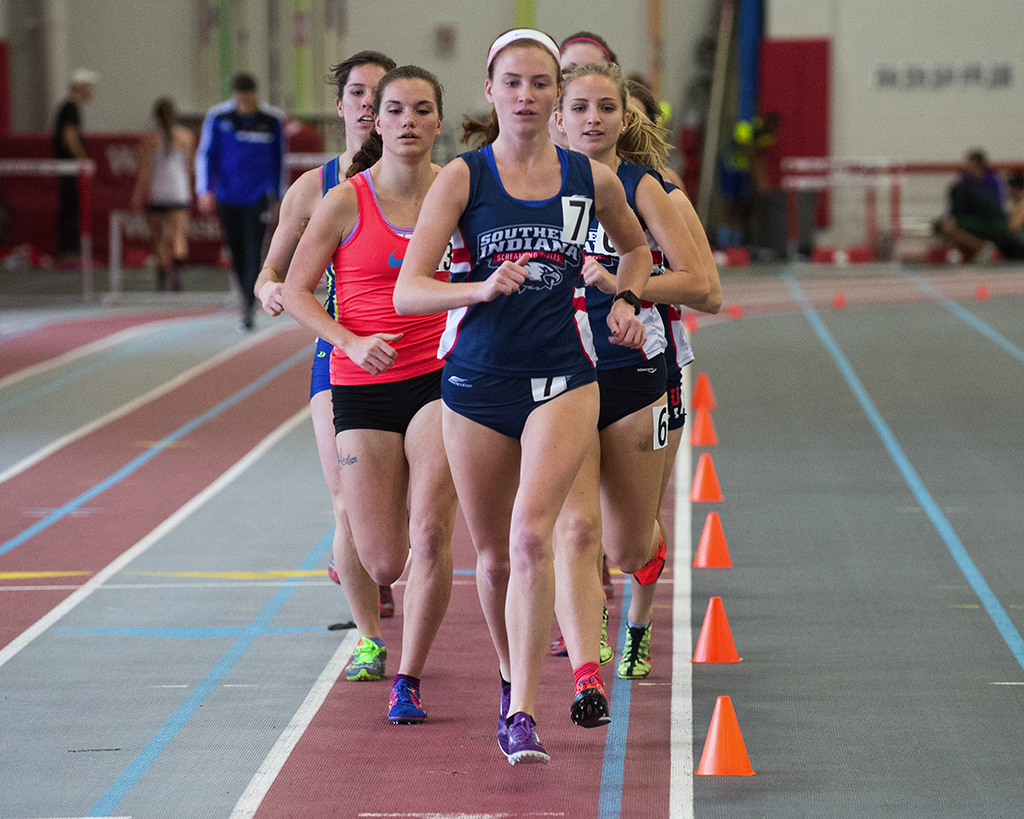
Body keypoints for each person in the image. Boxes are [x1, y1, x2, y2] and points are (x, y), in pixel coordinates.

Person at [393, 29, 653, 765]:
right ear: (490, 91)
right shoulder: (463, 179)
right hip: (477, 383)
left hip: (566, 377)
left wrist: (625, 293)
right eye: (513, 83)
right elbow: (410, 289)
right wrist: (478, 286)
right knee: (494, 558)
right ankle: (510, 679)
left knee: (532, 534)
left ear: (556, 96)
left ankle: (524, 714)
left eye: (541, 84)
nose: (528, 96)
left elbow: (634, 246)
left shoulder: (588, 177)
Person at [282, 64, 457, 725]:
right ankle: (371, 630)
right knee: (384, 555)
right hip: (360, 381)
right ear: (375, 123)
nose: (407, 121)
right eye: (395, 111)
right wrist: (349, 341)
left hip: (439, 377)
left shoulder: (458, 192)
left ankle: (407, 676)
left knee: (433, 531)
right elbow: (297, 291)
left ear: (439, 121)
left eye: (421, 109)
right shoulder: (344, 200)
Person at [554, 62, 716, 693]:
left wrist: (627, 287)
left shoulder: (648, 189)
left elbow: (705, 288)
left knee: (625, 542)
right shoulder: (540, 185)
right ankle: (587, 667)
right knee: (575, 525)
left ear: (625, 119)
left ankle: (639, 620)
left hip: (641, 370)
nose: (592, 119)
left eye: (605, 107)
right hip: (562, 373)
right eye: (580, 107)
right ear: (558, 118)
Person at [254, 51, 399, 636]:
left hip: (417, 354)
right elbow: (272, 273)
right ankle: (370, 632)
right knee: (346, 497)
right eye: (358, 94)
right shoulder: (312, 190)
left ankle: (378, 562)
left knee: (404, 509)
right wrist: (271, 292)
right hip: (338, 352)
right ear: (340, 106)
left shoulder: (433, 183)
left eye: (380, 94)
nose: (368, 105)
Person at [197, 73, 286, 329]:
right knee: (235, 251)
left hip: (257, 196)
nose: (245, 104)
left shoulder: (271, 120)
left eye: (250, 99)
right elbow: (206, 154)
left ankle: (249, 303)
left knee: (253, 248)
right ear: (235, 96)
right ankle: (245, 296)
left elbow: (279, 159)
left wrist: (279, 196)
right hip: (227, 195)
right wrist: (205, 190)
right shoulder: (219, 117)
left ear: (255, 95)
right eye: (241, 100)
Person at [130, 98, 195, 291]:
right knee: (178, 234)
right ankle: (177, 275)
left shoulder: (150, 139)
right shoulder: (186, 136)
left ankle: (162, 278)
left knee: (158, 237)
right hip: (178, 192)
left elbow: (145, 171)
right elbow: (190, 167)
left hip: (158, 192)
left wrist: (137, 195)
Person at [936, 150, 1024, 262]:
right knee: (948, 226)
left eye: (969, 164)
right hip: (988, 223)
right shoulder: (966, 183)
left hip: (992, 224)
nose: (966, 167)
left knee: (949, 227)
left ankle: (981, 247)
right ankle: (979, 248)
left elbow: (1012, 226)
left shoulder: (985, 183)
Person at [52, 69, 98, 258]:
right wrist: (82, 160)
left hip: (69, 167)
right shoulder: (70, 109)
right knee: (72, 208)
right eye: (90, 87)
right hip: (70, 168)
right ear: (81, 87)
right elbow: (69, 138)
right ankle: (70, 251)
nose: (92, 92)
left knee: (71, 207)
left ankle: (70, 250)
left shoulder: (69, 108)